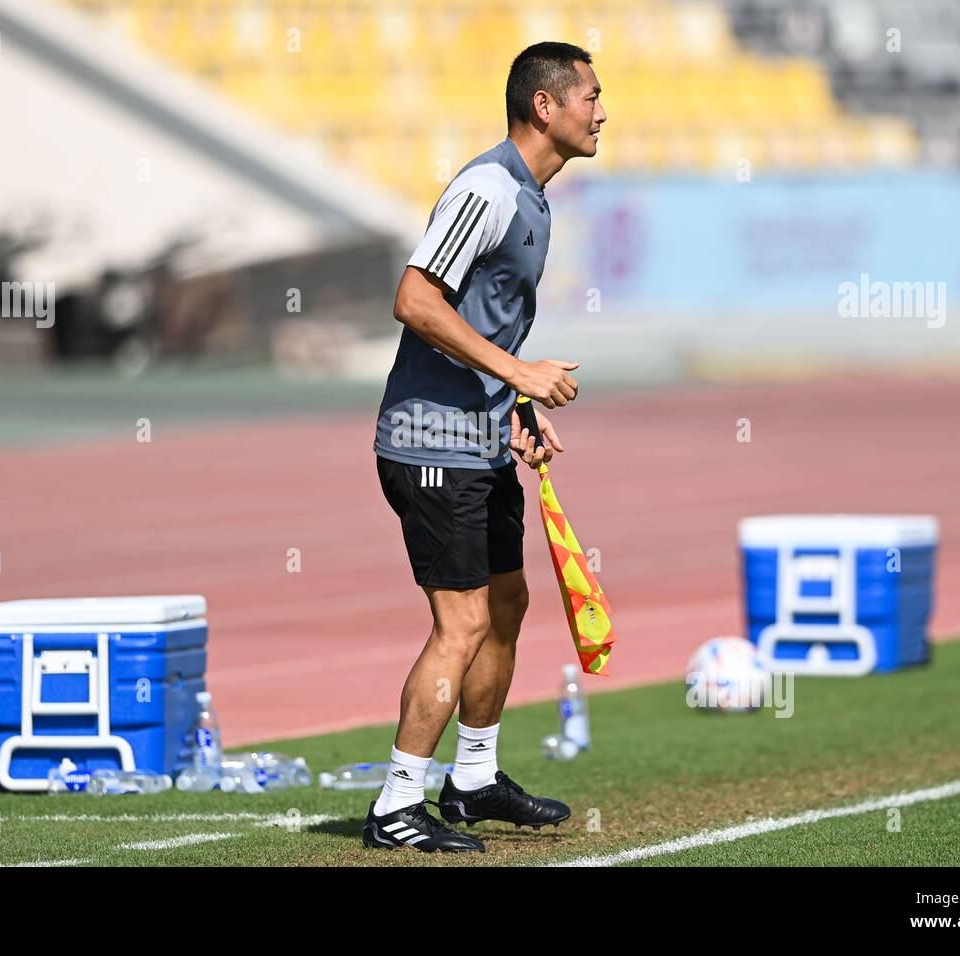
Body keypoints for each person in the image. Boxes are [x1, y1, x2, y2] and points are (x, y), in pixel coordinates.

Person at [365, 41, 606, 852]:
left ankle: (471, 781)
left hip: (478, 439)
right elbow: (414, 299)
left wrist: (515, 409)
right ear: (546, 106)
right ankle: (397, 804)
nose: (601, 112)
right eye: (591, 97)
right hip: (428, 442)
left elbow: (482, 319)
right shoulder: (487, 187)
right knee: (462, 622)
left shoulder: (534, 199)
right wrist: (520, 374)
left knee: (507, 607)